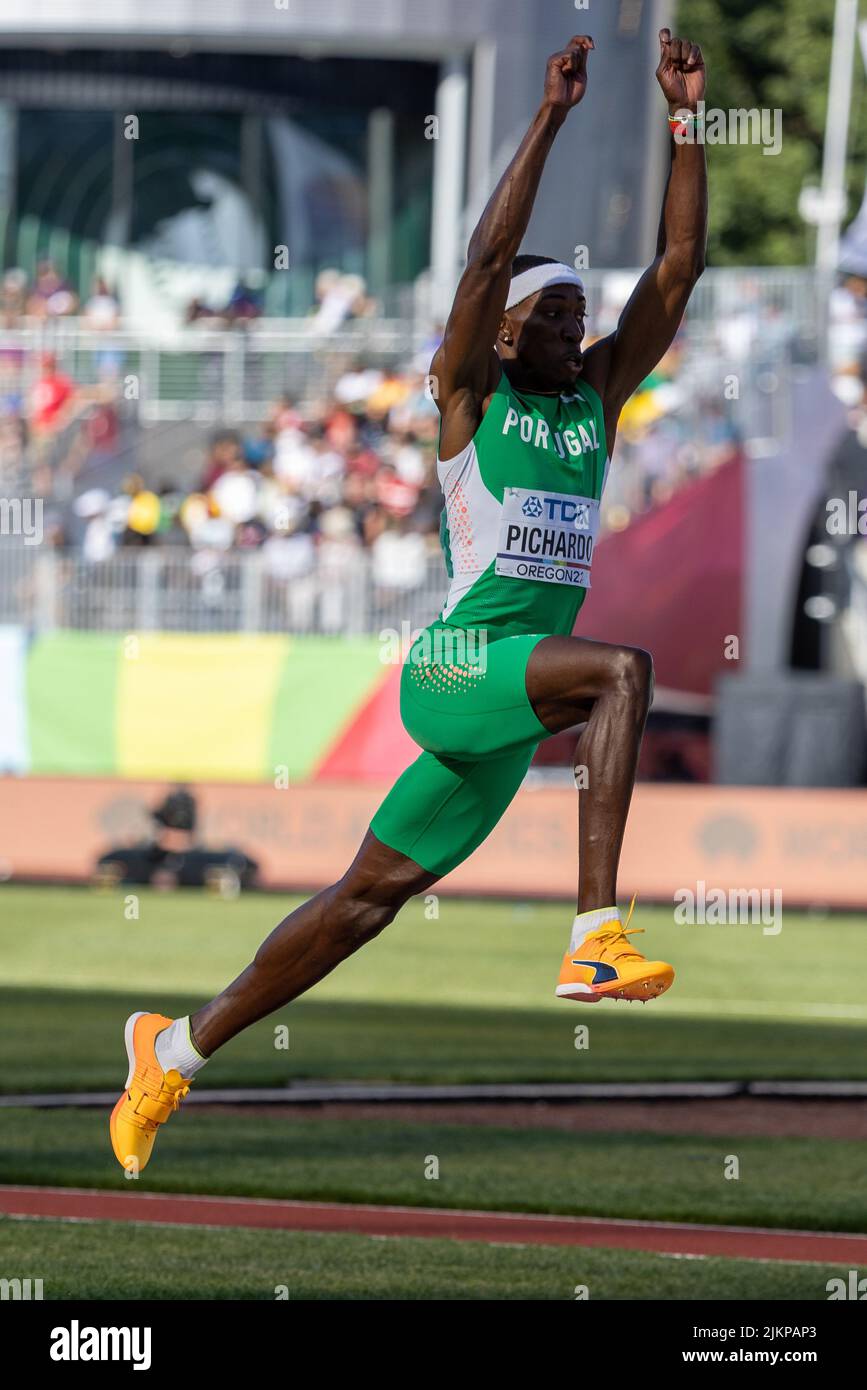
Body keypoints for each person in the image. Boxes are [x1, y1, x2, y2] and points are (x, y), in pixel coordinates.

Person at [109, 30, 707, 1173]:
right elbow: (484, 264)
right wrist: (550, 116)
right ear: (502, 333)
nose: (576, 325)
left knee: (363, 901)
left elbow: (677, 270)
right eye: (555, 312)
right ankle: (595, 934)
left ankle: (171, 1051)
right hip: (456, 672)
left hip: (507, 701)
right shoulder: (467, 398)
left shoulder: (594, 405)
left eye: (584, 312)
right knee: (622, 670)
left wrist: (685, 122)